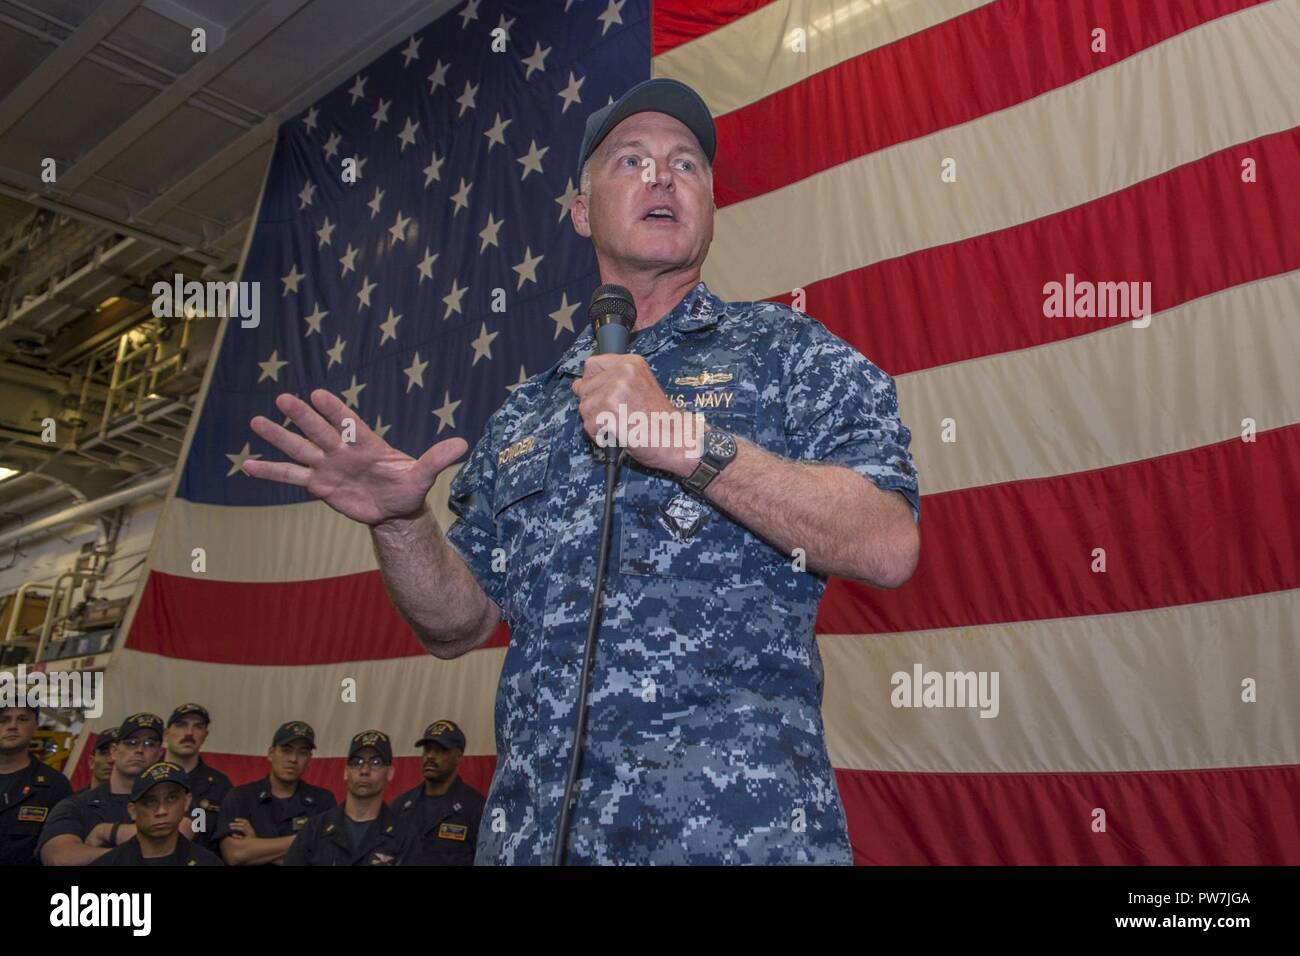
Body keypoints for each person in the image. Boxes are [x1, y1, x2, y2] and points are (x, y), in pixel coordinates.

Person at [243, 77, 920, 865]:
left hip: (736, 840)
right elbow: (457, 623)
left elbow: (886, 542)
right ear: (581, 210)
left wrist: (683, 439)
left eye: (687, 165)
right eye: (632, 160)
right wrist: (402, 525)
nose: (663, 177)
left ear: (708, 207)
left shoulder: (788, 352)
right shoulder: (527, 414)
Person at [38, 713, 171, 865]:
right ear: (114, 751)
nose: (140, 749)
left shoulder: (172, 801)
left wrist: (107, 832)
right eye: (131, 742)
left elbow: (181, 834)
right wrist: (135, 856)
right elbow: (59, 858)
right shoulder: (76, 806)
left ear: (159, 754)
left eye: (150, 744)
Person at [284, 730, 413, 866]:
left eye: (376, 762)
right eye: (357, 762)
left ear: (390, 772)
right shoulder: (315, 829)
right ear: (346, 772)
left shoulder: (404, 837)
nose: (364, 770)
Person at [216, 720, 335, 865]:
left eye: (302, 753)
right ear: (271, 754)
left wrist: (256, 845)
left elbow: (325, 859)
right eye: (286, 750)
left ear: (309, 760)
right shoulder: (241, 797)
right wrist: (307, 839)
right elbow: (235, 855)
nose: (293, 759)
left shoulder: (323, 801)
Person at [89, 761, 223, 866]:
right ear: (132, 811)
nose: (161, 811)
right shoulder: (107, 863)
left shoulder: (208, 862)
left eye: (171, 798)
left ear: (186, 802)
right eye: (150, 801)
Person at [393, 720, 484, 865]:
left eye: (440, 750)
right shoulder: (401, 806)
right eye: (427, 749)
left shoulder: (476, 808)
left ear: (458, 756)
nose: (430, 756)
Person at [0, 704, 73, 865]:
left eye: (22, 719)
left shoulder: (55, 786)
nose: (12, 726)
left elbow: (62, 852)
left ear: (35, 724)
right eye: (3, 720)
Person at [163, 703, 232, 852]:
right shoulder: (144, 777)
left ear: (205, 735)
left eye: (198, 727)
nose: (189, 733)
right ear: (166, 734)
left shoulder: (220, 785)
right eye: (181, 725)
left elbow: (229, 846)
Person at [82, 726, 118, 791]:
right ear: (92, 762)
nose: (111, 760)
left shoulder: (139, 800)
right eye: (104, 753)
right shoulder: (73, 801)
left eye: (118, 754)